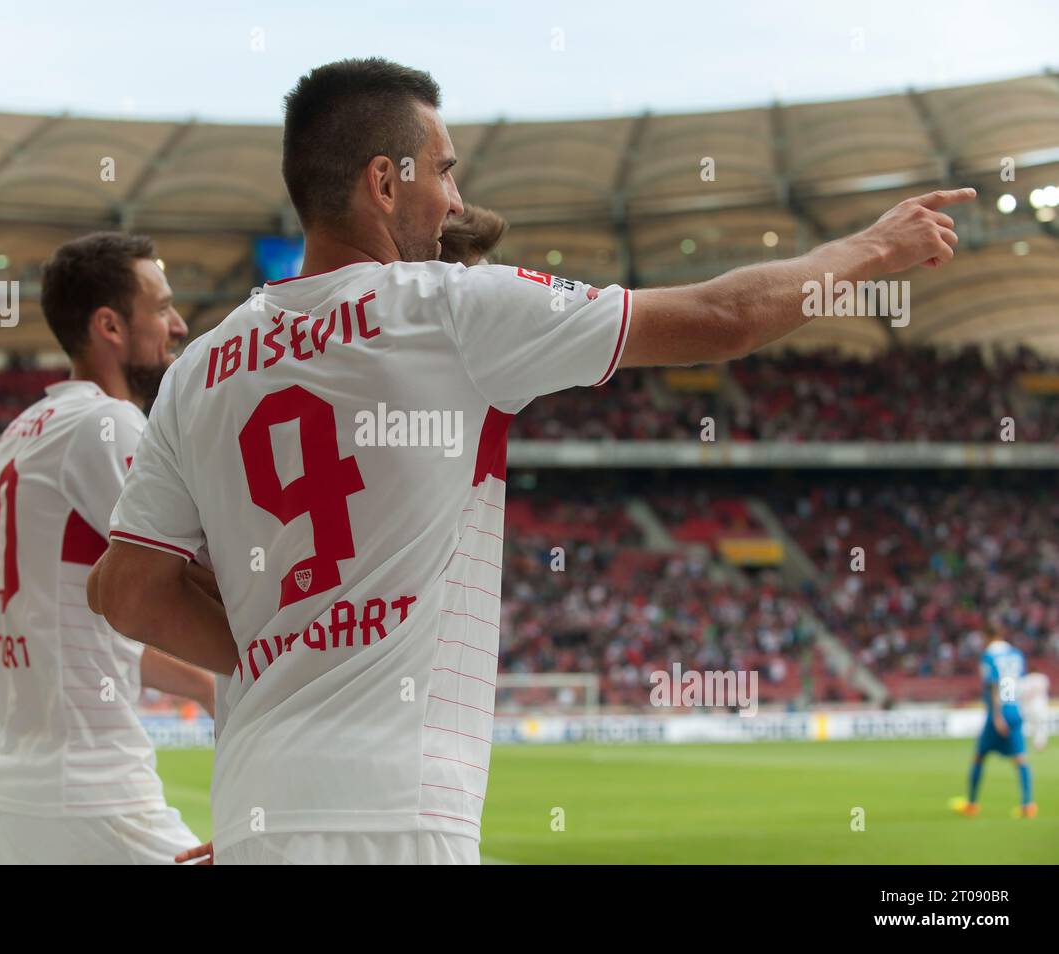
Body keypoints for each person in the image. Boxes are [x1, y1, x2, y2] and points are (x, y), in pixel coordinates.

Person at [89, 57, 974, 865]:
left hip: (255, 812)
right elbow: (721, 317)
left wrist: (274, 650)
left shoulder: (201, 366)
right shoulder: (449, 309)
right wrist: (872, 248)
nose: (454, 199)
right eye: (443, 169)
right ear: (383, 181)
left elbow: (124, 589)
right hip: (405, 815)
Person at [0, 232, 218, 864]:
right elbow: (214, 580)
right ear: (109, 325)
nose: (179, 324)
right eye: (160, 308)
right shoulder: (107, 424)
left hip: (5, 795)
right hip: (91, 795)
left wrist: (210, 689)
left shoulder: (21, 433)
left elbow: (83, 632)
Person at [951, 635, 1038, 818]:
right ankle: (1028, 805)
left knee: (979, 757)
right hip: (1015, 708)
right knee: (1021, 759)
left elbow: (993, 685)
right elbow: (1014, 684)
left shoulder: (990, 657)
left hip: (1000, 712)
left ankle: (972, 804)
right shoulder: (1017, 655)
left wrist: (998, 716)